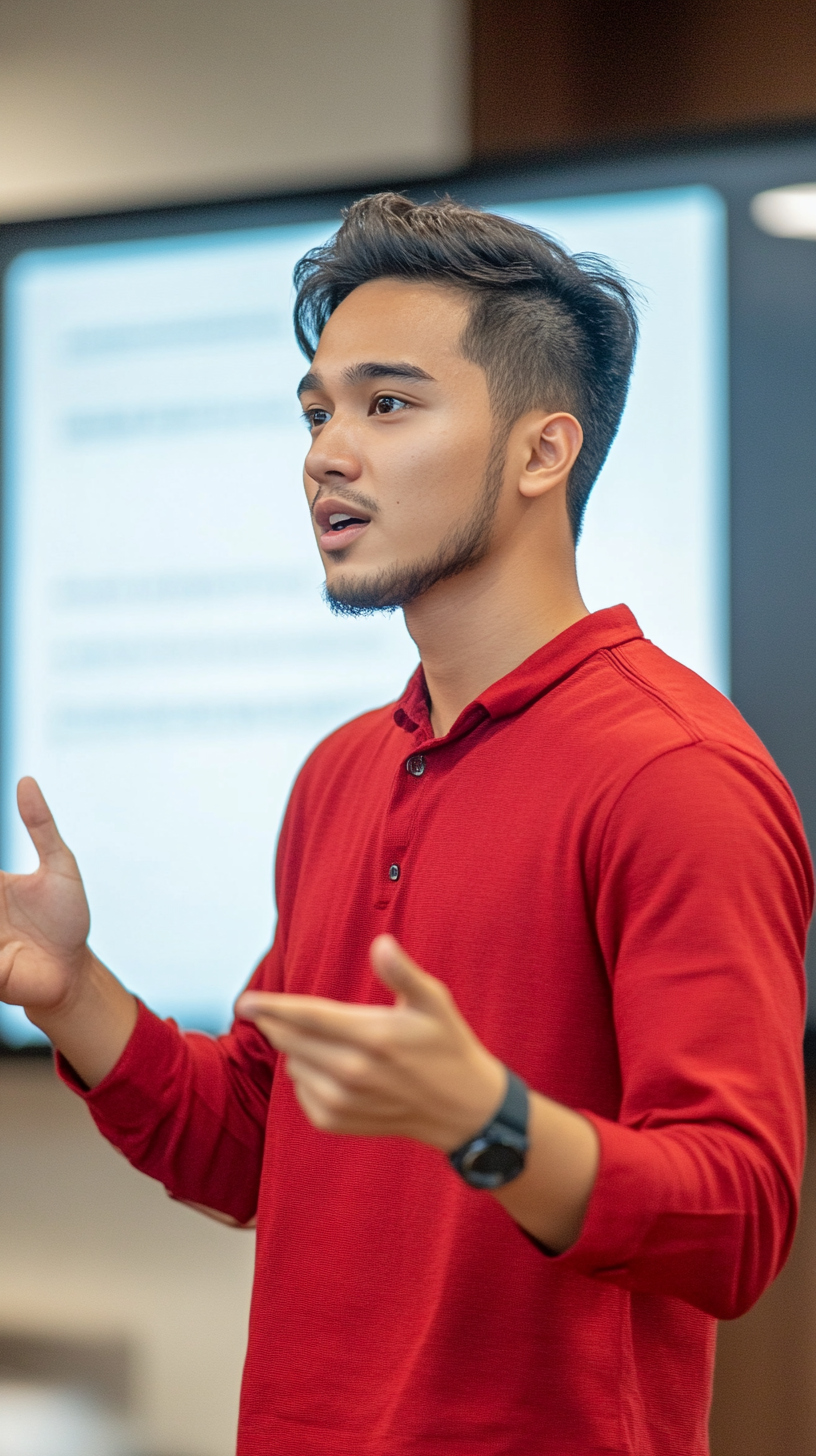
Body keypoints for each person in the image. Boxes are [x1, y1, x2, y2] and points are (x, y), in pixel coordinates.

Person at [0, 194, 811, 1456]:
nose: (327, 452)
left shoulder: (675, 771)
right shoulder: (342, 772)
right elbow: (257, 1148)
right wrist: (68, 989)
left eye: (388, 405)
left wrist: (490, 1119)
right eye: (318, 411)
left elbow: (737, 1220)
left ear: (545, 452)